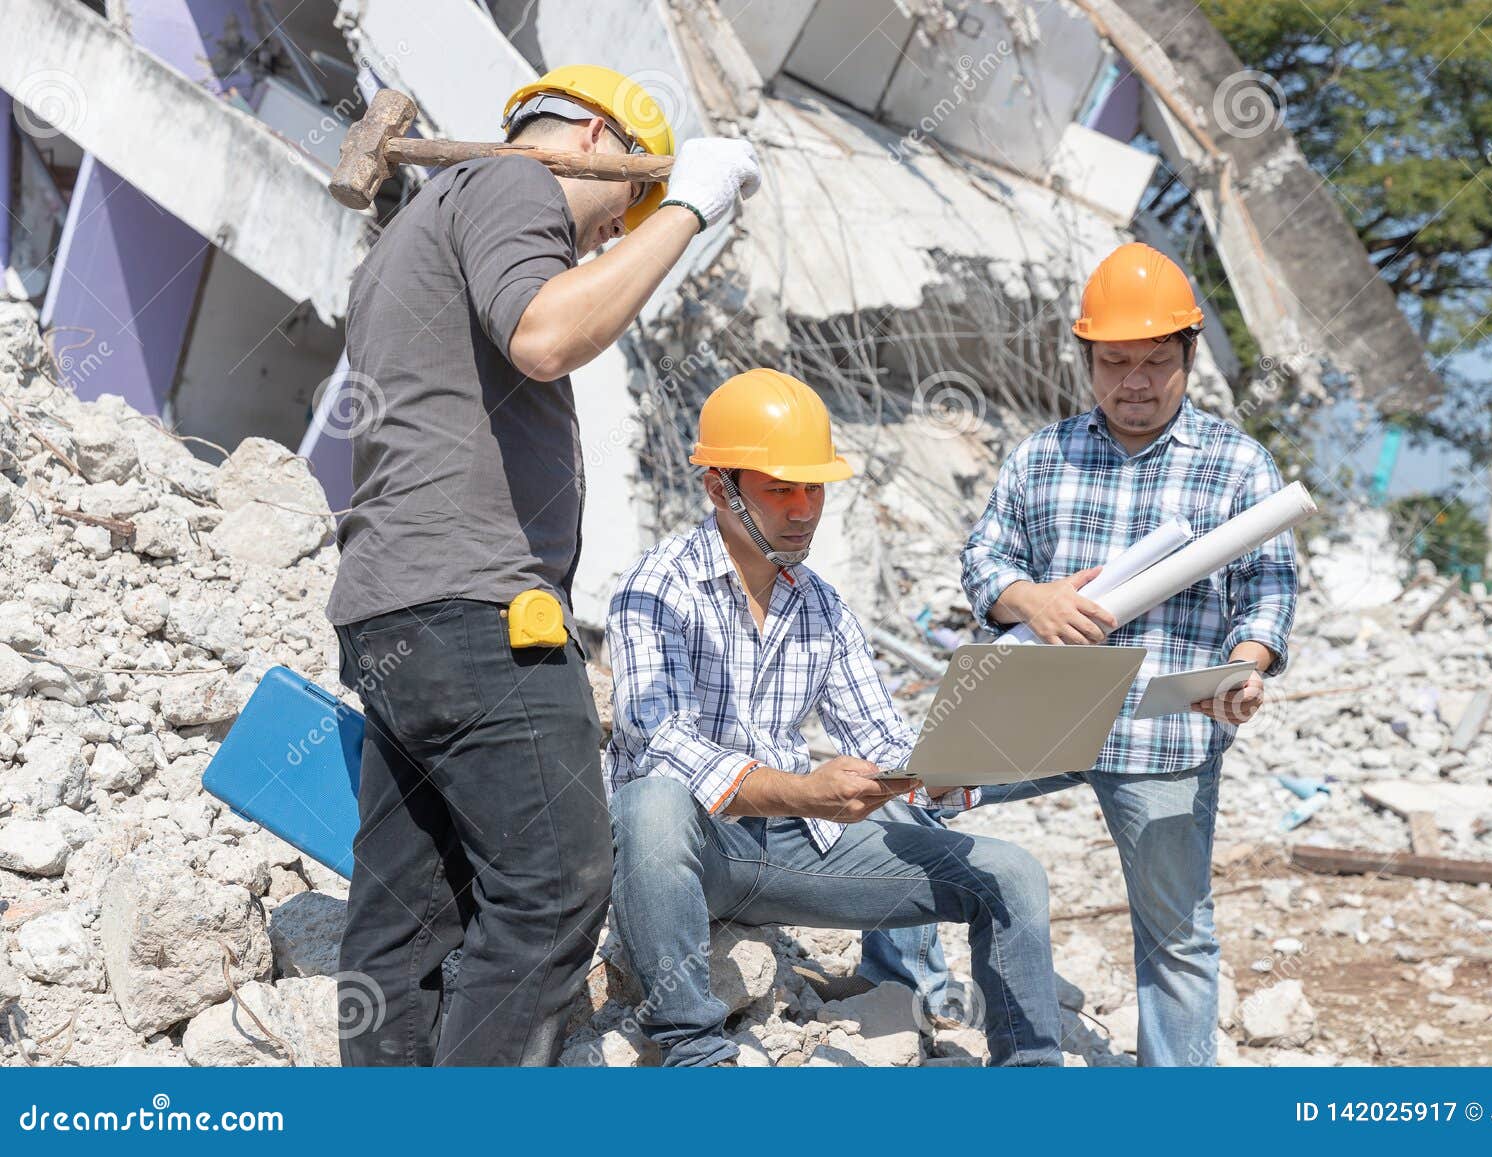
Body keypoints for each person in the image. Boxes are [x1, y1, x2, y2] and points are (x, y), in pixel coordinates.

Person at [324, 65, 761, 1066]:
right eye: (622, 212)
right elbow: (549, 333)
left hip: (398, 617)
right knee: (556, 883)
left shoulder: (411, 236)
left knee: (406, 918)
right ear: (597, 139)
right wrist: (688, 203)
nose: (608, 240)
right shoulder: (517, 184)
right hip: (480, 612)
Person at [861, 243, 1299, 1067]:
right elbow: (985, 562)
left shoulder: (1238, 465)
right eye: (1114, 363)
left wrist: (1247, 663)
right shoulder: (1042, 454)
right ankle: (899, 990)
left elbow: (1269, 588)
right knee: (905, 798)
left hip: (1161, 736)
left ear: (1189, 355)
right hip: (1038, 708)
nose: (1134, 381)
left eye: (1155, 362)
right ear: (1088, 358)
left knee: (1175, 934)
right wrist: (1033, 600)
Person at [603, 369, 1064, 1067]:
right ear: (719, 488)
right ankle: (693, 1052)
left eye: (813, 487)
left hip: (791, 849)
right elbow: (658, 741)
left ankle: (1032, 1084)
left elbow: (882, 738)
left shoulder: (820, 604)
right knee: (652, 803)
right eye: (780, 488)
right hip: (688, 854)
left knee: (1014, 872)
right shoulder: (654, 587)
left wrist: (945, 770)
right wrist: (801, 789)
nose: (802, 509)